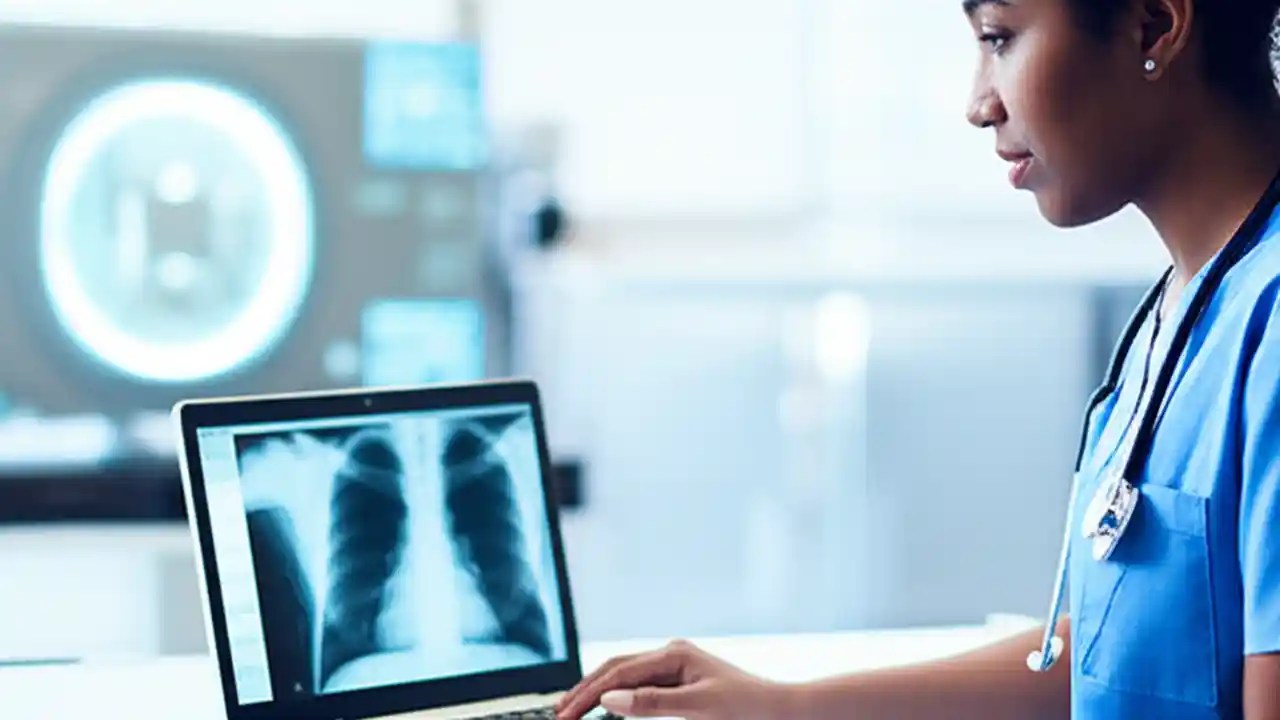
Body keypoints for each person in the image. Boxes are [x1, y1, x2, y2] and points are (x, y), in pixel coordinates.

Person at [554, 0, 1280, 718]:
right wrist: (783, 706)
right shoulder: (1190, 303)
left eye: (999, 38)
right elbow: (1119, 660)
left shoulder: (1270, 323)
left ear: (1153, 25)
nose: (978, 103)